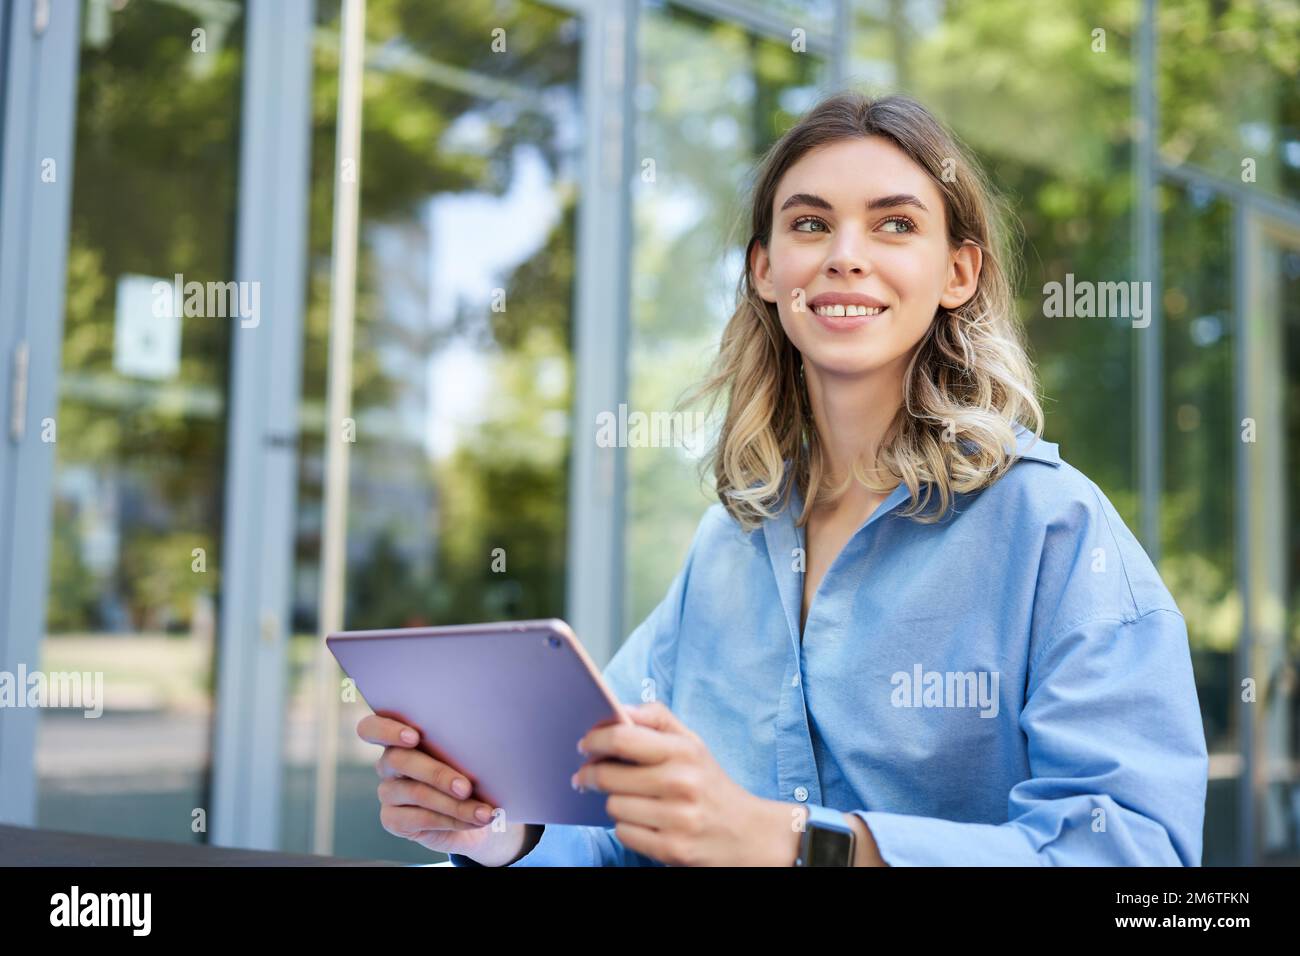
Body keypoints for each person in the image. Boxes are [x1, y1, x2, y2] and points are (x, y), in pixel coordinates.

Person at [357, 90, 1208, 866]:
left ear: (959, 273)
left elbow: (1138, 861)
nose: (844, 256)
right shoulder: (730, 545)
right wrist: (499, 828)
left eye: (894, 225)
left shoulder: (1056, 530)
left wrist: (798, 845)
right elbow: (614, 822)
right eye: (809, 224)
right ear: (765, 269)